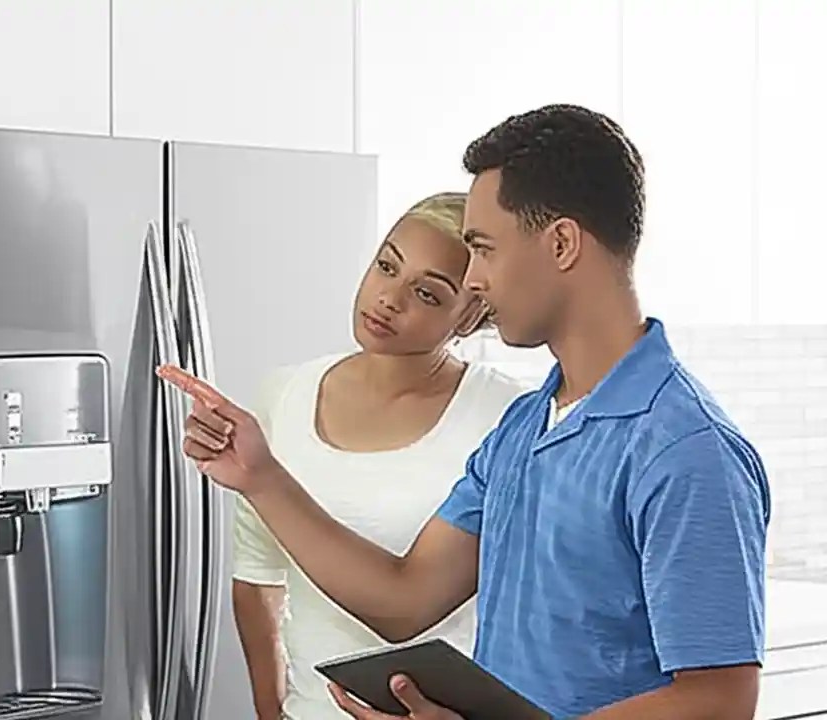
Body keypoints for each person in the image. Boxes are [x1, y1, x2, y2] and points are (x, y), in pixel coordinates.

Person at [164, 104, 771, 719]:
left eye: (484, 249)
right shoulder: (524, 428)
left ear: (561, 243)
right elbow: (405, 599)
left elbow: (719, 701)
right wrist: (261, 477)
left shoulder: (685, 449)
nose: (474, 281)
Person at [227, 192, 527, 720]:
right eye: (387, 266)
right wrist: (271, 711)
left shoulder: (508, 416)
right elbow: (257, 577)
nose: (389, 298)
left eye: (427, 294)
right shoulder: (284, 395)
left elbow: (524, 609)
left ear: (471, 312)